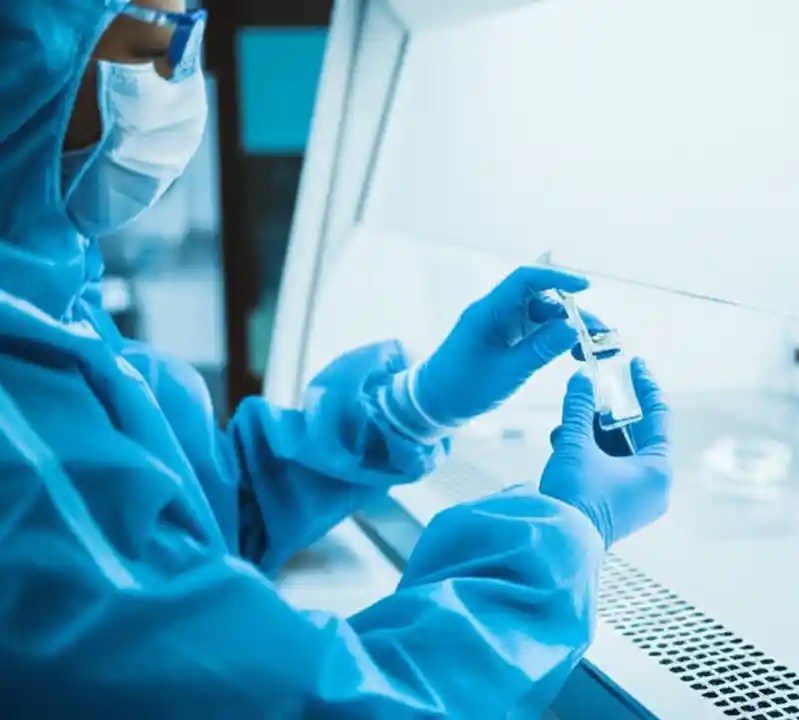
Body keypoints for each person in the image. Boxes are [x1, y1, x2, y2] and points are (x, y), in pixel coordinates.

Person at [0, 0, 674, 717]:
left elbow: (191, 516)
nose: (179, 78)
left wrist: (415, 406)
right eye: (164, 42)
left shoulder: (44, 292)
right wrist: (562, 537)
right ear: (23, 68)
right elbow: (324, 707)